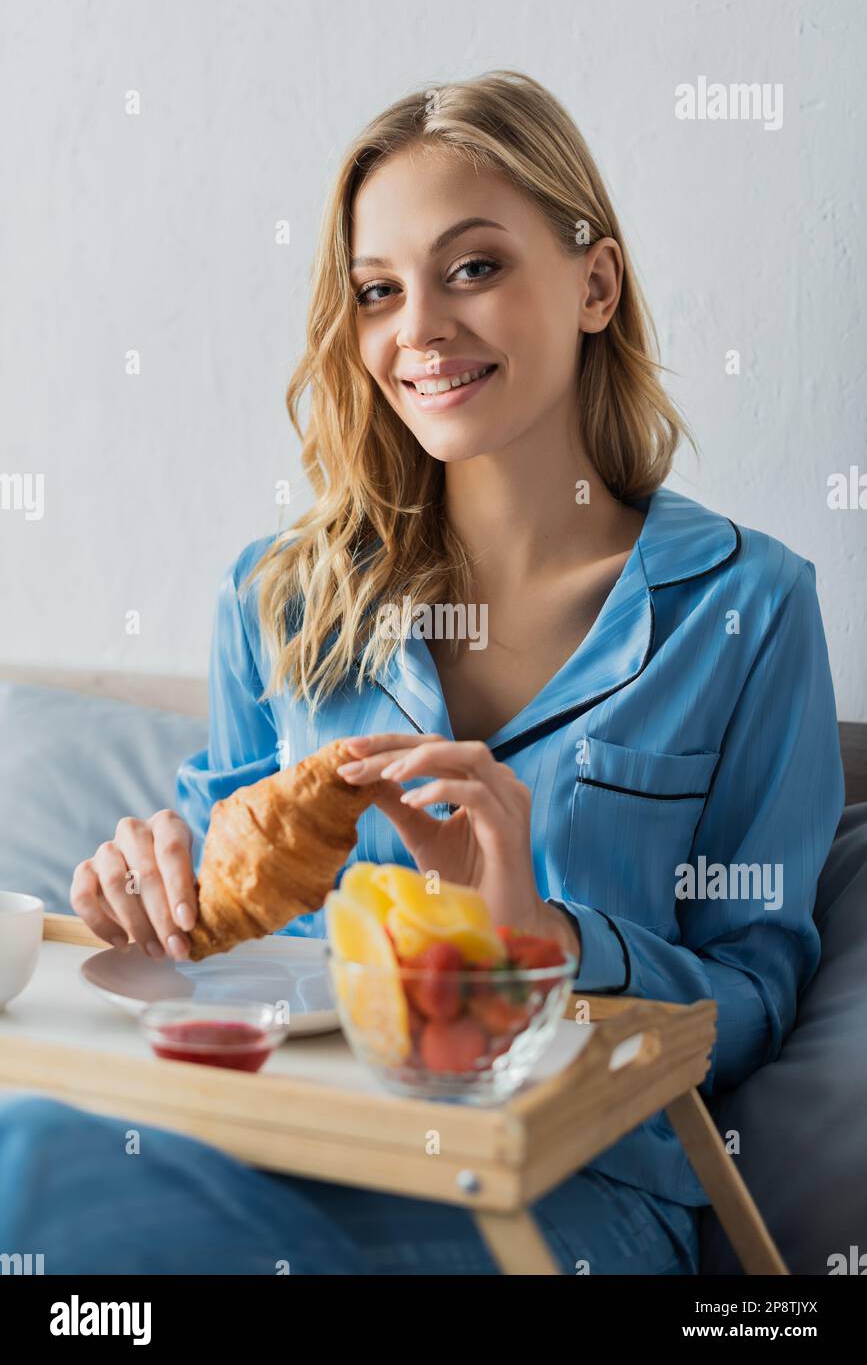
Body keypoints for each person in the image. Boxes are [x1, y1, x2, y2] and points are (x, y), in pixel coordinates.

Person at [0, 70, 844, 1275]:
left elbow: (757, 997)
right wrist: (145, 884)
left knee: (31, 1182)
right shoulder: (279, 598)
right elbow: (213, 925)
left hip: (566, 1195)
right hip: (283, 1135)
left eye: (475, 268)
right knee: (30, 1155)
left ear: (594, 283)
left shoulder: (748, 607)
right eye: (378, 291)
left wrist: (543, 937)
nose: (421, 331)